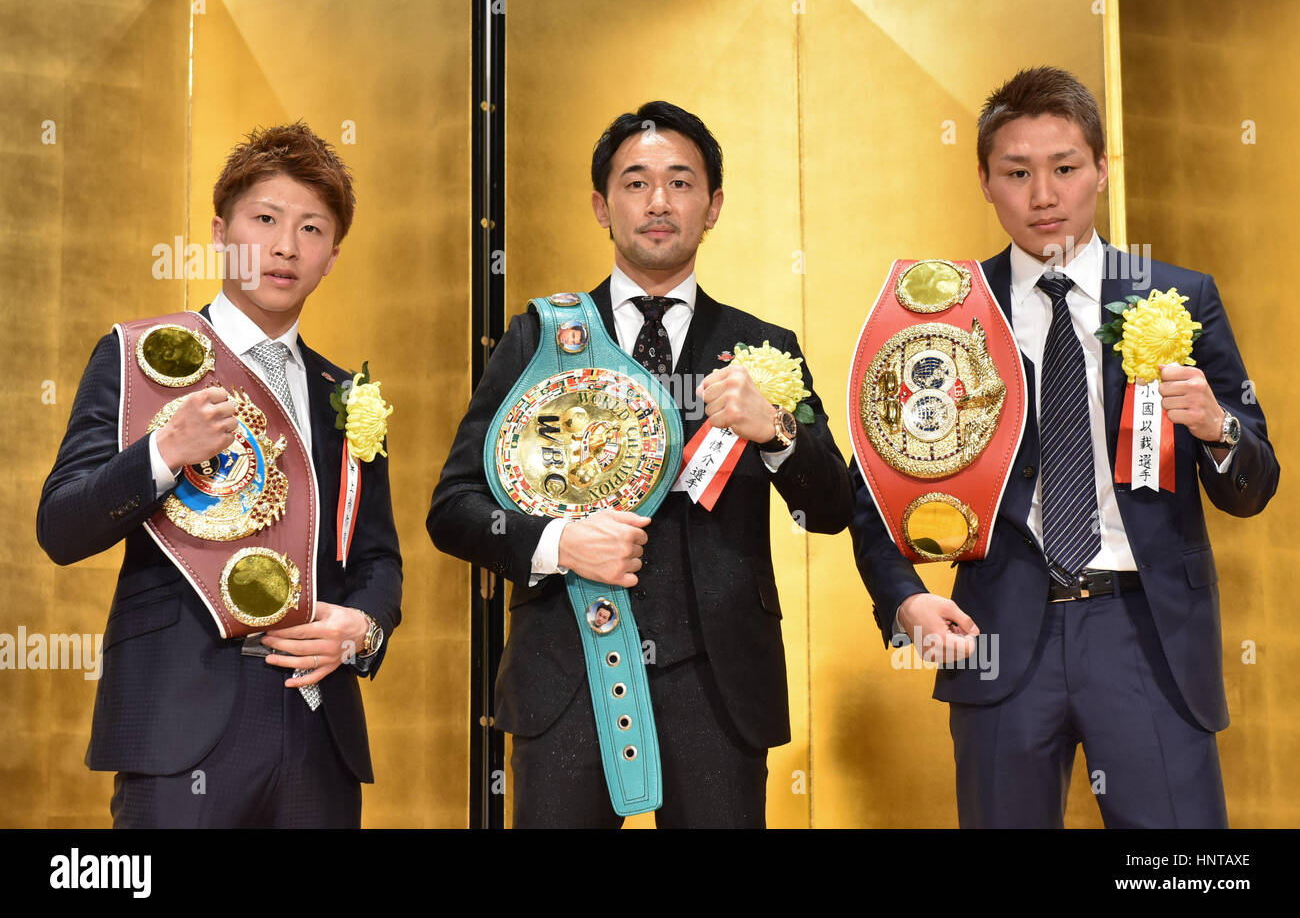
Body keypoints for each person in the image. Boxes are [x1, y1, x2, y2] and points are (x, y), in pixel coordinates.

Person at [849, 66, 1278, 828]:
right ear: (985, 181)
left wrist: (1218, 428)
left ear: (1103, 170)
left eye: (1065, 168)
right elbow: (874, 485)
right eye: (1017, 173)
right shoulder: (944, 309)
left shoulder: (1176, 296)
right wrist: (905, 597)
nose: (1043, 195)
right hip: (1000, 635)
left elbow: (1253, 486)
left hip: (1146, 631)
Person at [428, 101, 853, 828]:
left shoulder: (761, 348)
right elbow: (455, 508)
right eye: (635, 183)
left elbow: (832, 511)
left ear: (713, 205)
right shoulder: (540, 336)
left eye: (681, 183)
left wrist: (776, 427)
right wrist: (559, 545)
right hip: (566, 674)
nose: (659, 202)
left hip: (718, 686)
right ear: (601, 205)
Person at [37, 122, 402, 827]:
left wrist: (362, 628)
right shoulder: (140, 356)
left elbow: (379, 558)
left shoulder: (347, 394)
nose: (285, 246)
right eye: (264, 219)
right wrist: (161, 455)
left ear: (332, 257)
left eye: (312, 229)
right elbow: (61, 527)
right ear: (219, 231)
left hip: (316, 727)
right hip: (178, 723)